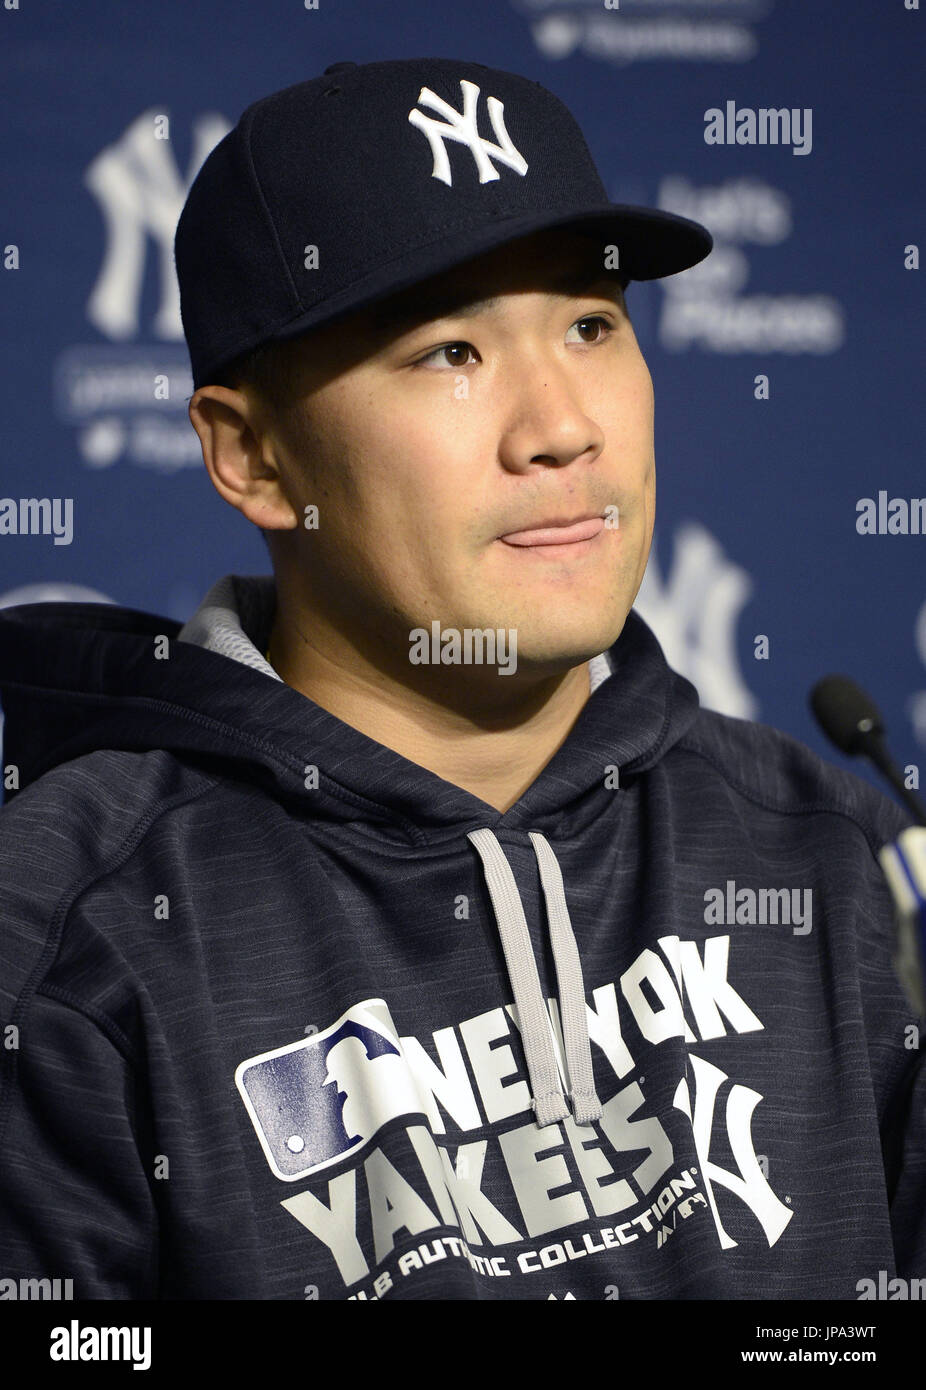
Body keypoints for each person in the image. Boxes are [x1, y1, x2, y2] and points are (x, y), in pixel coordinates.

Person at [0, 56, 922, 1302]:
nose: (560, 426)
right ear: (254, 456)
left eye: (590, 326)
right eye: (447, 351)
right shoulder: (69, 924)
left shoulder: (829, 852)